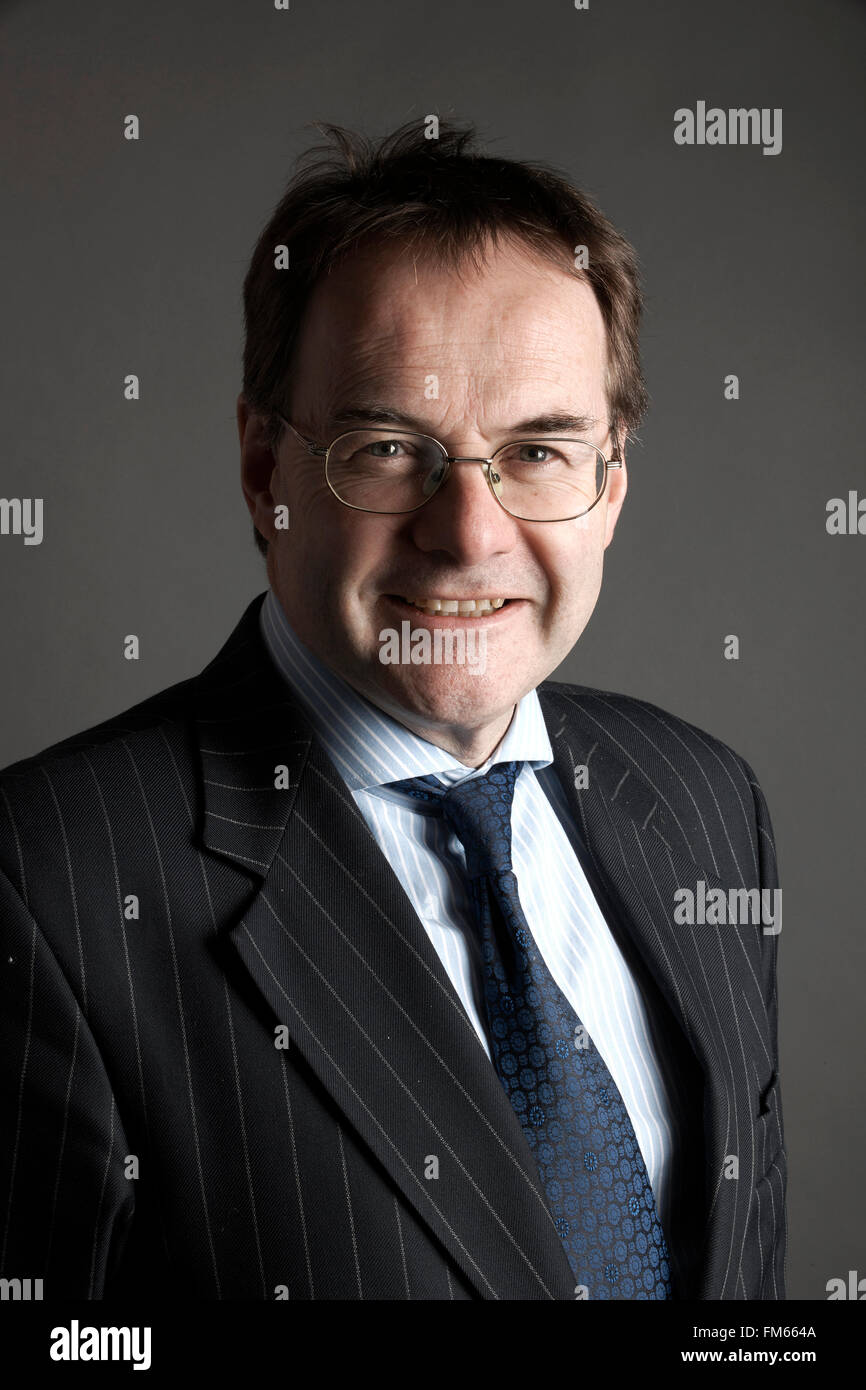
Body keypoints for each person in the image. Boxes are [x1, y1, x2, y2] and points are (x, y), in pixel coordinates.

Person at [0, 118, 785, 1301]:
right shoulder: (47, 881)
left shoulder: (706, 802)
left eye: (536, 452)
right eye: (386, 448)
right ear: (266, 470)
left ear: (610, 483)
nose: (468, 534)